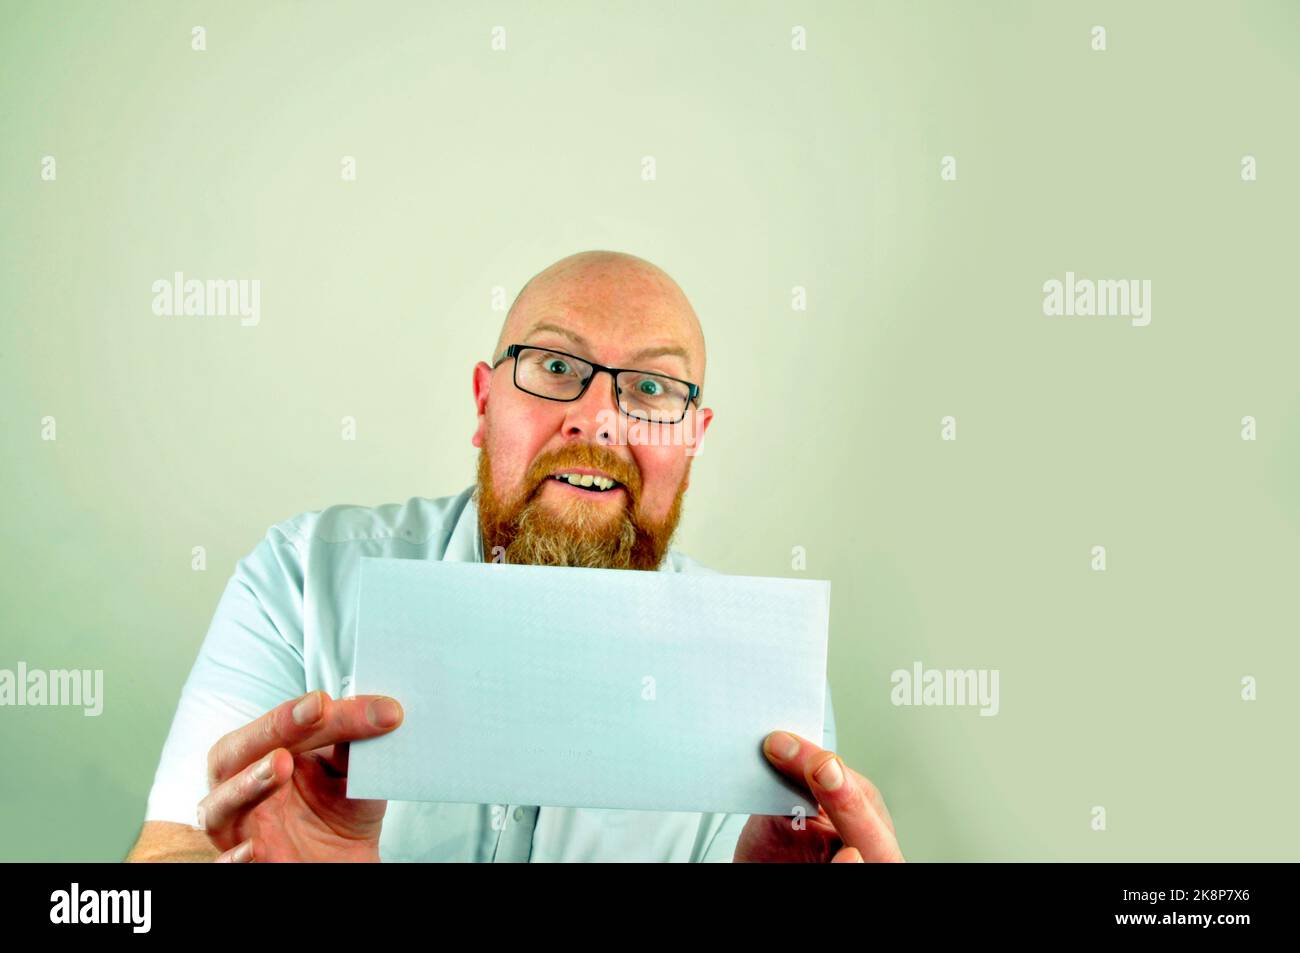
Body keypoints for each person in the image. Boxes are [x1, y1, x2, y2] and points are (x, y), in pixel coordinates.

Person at [125, 250, 903, 862]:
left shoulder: (766, 677)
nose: (598, 421)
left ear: (693, 440)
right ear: (483, 402)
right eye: (557, 368)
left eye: (654, 389)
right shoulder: (301, 578)